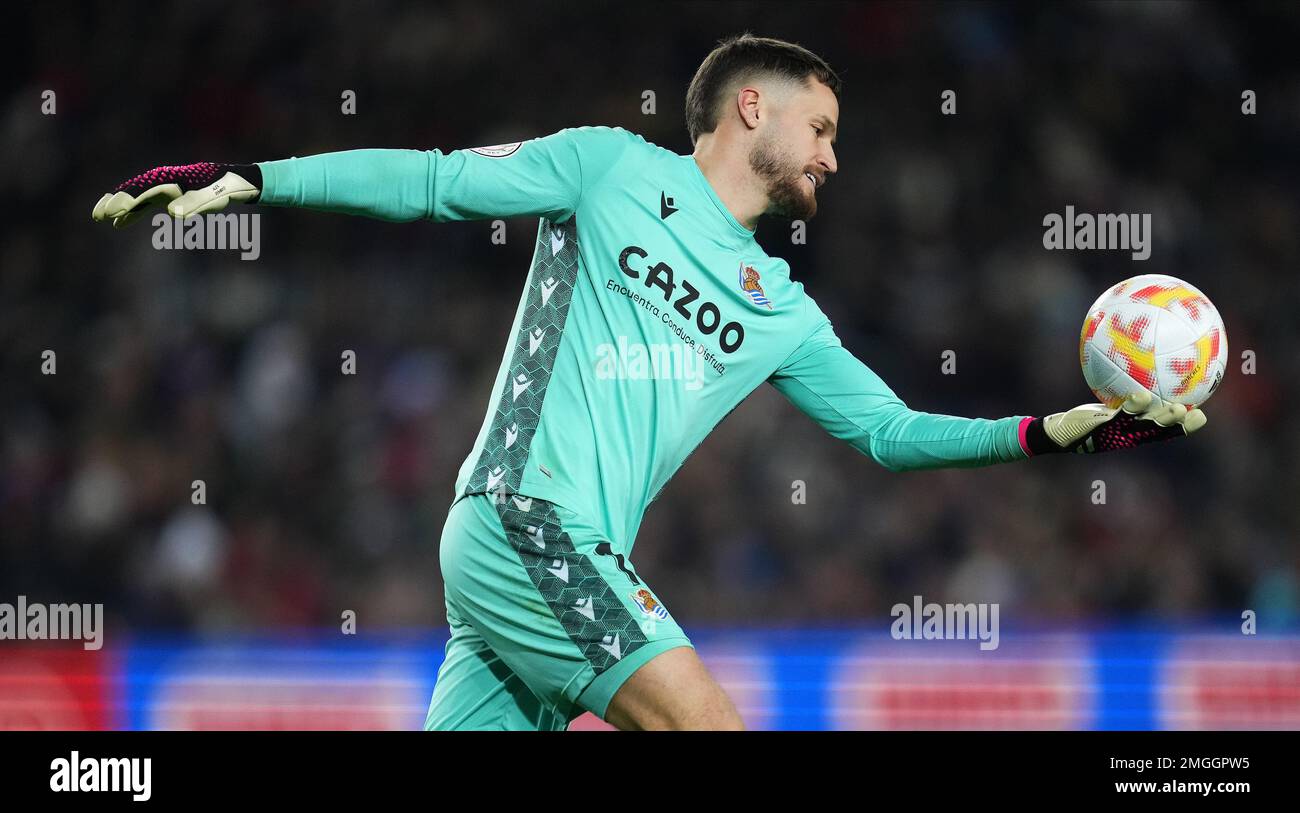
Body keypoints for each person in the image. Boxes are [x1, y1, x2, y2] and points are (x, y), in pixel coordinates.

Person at [92, 33, 1205, 730]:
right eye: (820, 128)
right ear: (750, 110)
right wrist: (250, 175)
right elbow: (433, 183)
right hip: (526, 520)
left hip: (558, 559)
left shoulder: (784, 309)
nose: (831, 156)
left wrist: (1054, 436)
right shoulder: (608, 168)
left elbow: (891, 433)